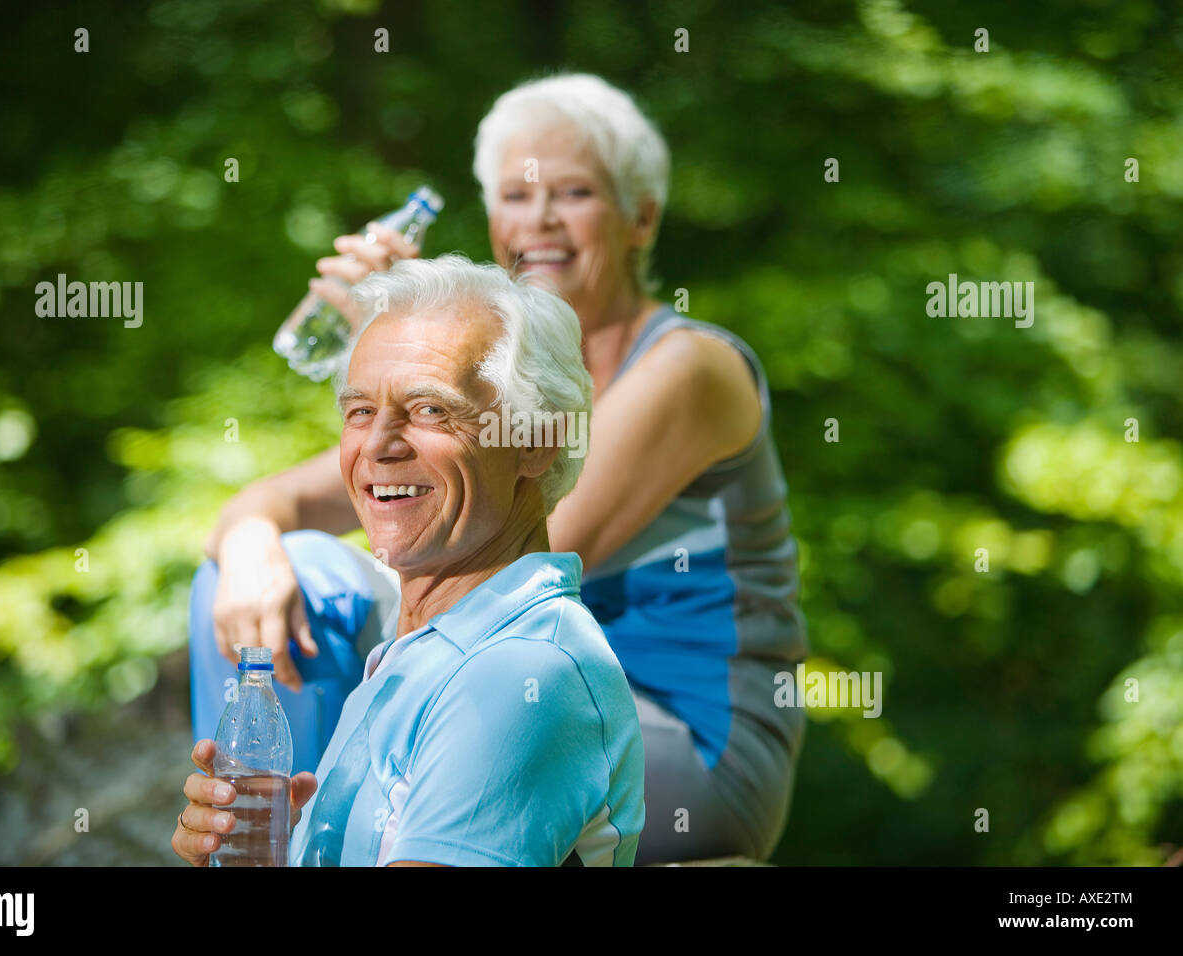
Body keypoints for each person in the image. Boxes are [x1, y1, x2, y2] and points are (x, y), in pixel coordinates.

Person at [191, 72, 807, 864]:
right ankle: (276, 829)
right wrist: (251, 551)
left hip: (672, 734)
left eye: (576, 192)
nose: (540, 219)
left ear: (641, 217)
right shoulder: (486, 384)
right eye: (516, 196)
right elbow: (275, 502)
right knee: (264, 574)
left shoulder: (689, 369)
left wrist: (404, 337)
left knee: (351, 603)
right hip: (521, 685)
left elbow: (508, 559)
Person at [175, 255, 644, 867]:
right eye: (360, 411)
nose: (377, 444)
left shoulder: (519, 672)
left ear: (533, 440)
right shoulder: (422, 654)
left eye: (429, 410)